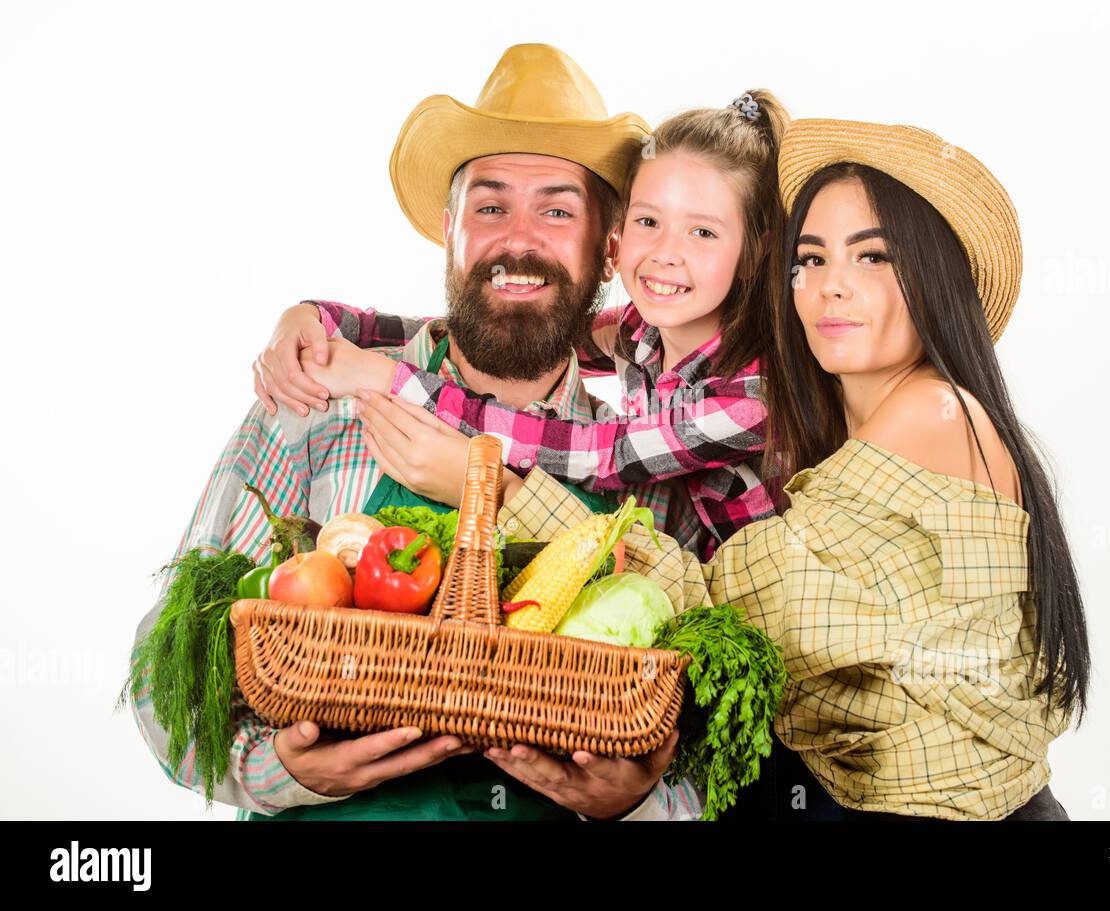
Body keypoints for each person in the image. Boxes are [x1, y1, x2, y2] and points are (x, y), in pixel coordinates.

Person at [393, 117, 1091, 820]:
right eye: (812, 259)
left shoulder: (929, 412)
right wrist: (340, 326)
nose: (832, 287)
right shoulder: (802, 404)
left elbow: (721, 604)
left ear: (933, 277)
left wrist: (501, 488)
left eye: (872, 257)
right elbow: (527, 320)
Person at [126, 44, 701, 821]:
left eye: (557, 209)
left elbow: (709, 763)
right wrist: (283, 769)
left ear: (608, 249)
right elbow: (166, 681)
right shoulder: (314, 406)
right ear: (448, 232)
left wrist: (637, 805)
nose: (518, 240)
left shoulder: (647, 465)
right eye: (490, 207)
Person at [252, 89, 791, 561]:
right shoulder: (641, 333)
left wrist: (394, 391)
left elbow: (600, 453)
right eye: (649, 222)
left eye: (557, 212)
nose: (666, 253)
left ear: (605, 248)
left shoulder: (750, 398)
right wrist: (319, 319)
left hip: (759, 601)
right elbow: (510, 317)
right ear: (623, 240)